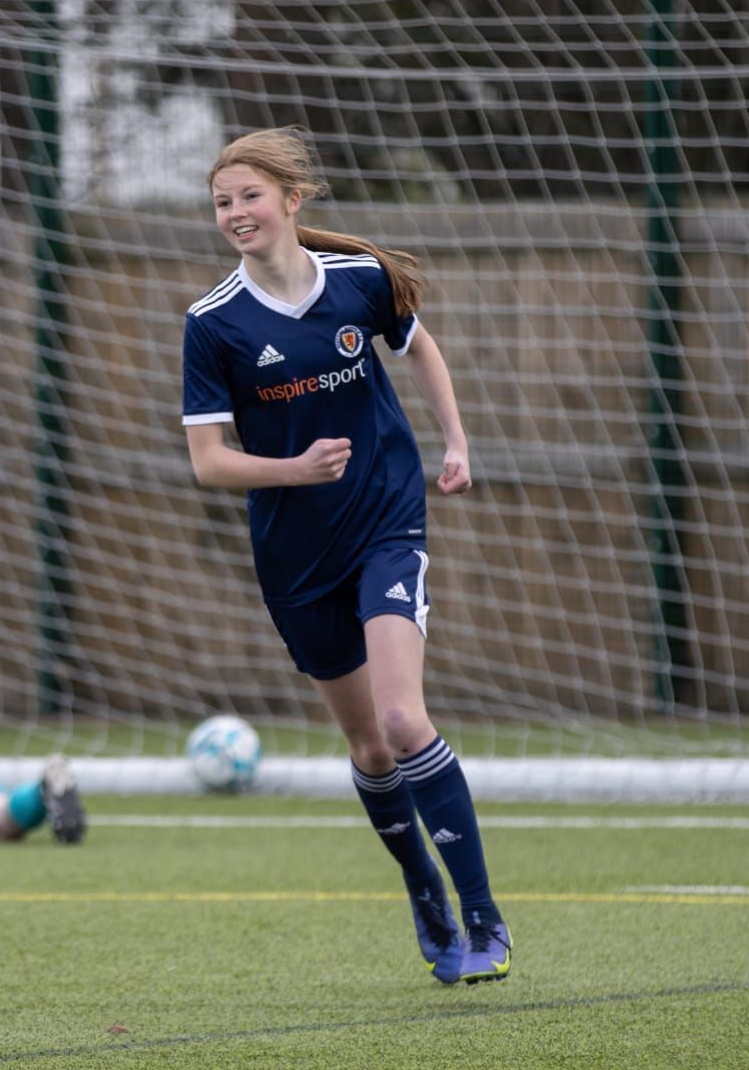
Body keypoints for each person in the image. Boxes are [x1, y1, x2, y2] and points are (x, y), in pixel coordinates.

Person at [180, 127, 509, 985]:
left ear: (292, 199)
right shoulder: (212, 324)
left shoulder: (360, 284)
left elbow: (420, 345)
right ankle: (423, 893)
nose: (235, 212)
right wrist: (292, 469)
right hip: (295, 558)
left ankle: (484, 917)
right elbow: (209, 461)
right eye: (222, 201)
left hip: (386, 525)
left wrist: (456, 440)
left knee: (405, 720)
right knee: (368, 747)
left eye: (249, 195)